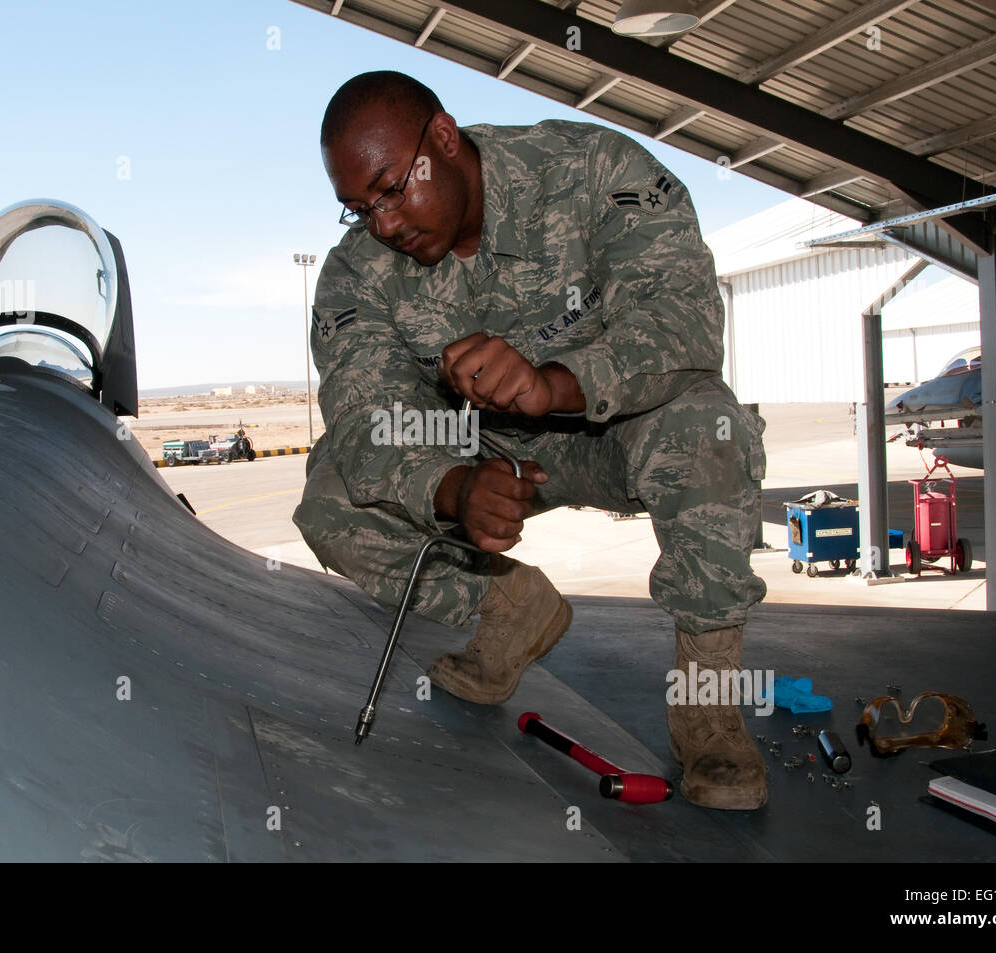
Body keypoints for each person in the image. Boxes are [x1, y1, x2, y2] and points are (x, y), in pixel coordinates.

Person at [293, 71, 769, 810]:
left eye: (392, 190)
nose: (383, 224)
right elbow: (365, 417)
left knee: (709, 427)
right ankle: (507, 606)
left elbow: (684, 322)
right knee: (333, 495)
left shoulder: (592, 171)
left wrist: (556, 382)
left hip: (613, 430)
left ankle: (708, 706)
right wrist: (451, 487)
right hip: (478, 452)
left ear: (443, 139)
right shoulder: (358, 273)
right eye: (359, 209)